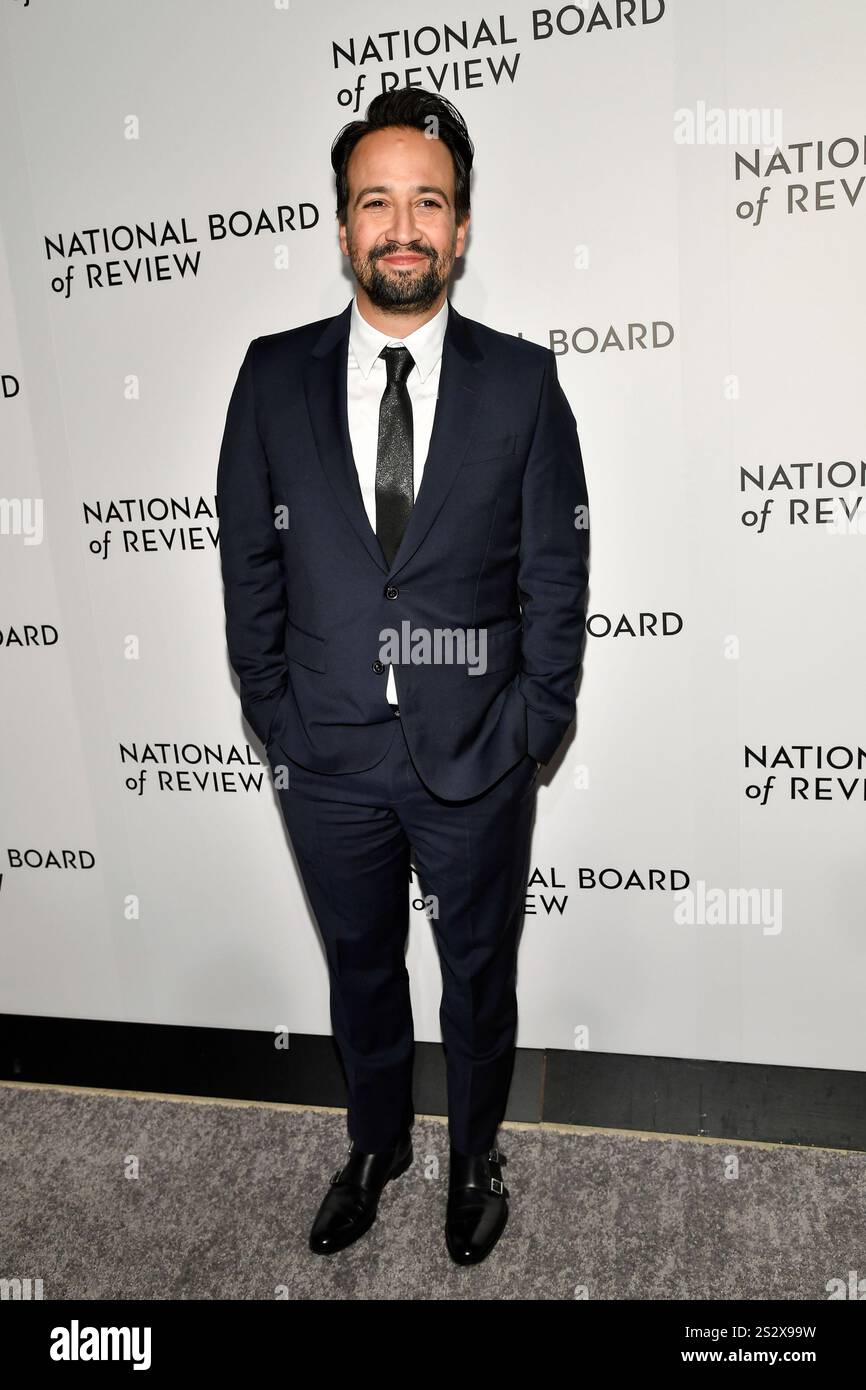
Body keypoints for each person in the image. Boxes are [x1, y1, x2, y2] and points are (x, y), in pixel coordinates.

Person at [216, 86, 590, 1265]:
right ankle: (375, 1140)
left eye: (426, 202)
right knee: (359, 968)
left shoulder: (521, 385)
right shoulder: (270, 376)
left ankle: (475, 1152)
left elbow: (555, 571)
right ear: (340, 228)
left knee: (478, 974)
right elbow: (249, 563)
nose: (401, 226)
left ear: (462, 228)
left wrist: (534, 723)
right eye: (374, 201)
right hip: (325, 754)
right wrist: (274, 714)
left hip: (476, 753)